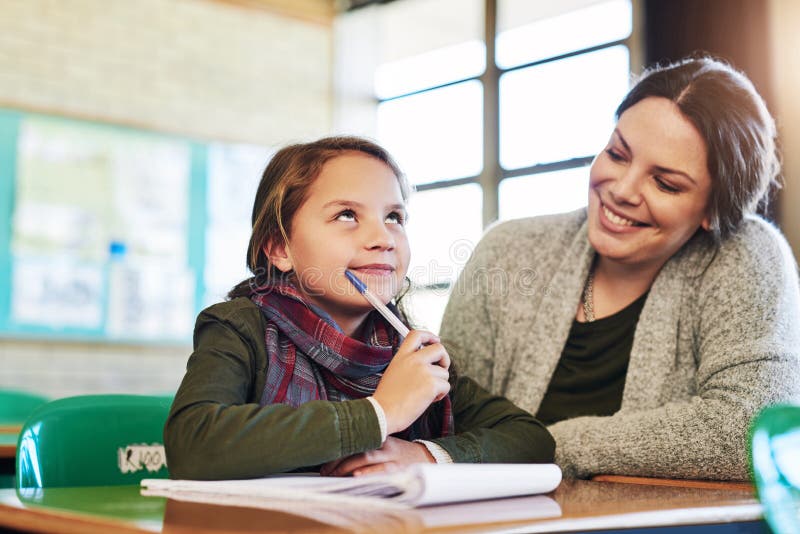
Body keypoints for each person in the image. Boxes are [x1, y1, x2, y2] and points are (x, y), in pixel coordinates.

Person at [440, 55, 800, 481]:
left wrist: (540, 446)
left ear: (713, 209)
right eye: (617, 154)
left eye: (665, 183)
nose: (622, 190)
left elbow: (754, 429)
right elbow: (446, 415)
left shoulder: (745, 254)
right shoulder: (506, 252)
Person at [164, 136, 554, 480]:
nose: (383, 238)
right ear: (280, 248)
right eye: (347, 215)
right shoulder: (239, 326)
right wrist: (381, 412)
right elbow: (193, 442)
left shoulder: (410, 351)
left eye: (394, 217)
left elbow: (530, 439)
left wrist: (423, 455)